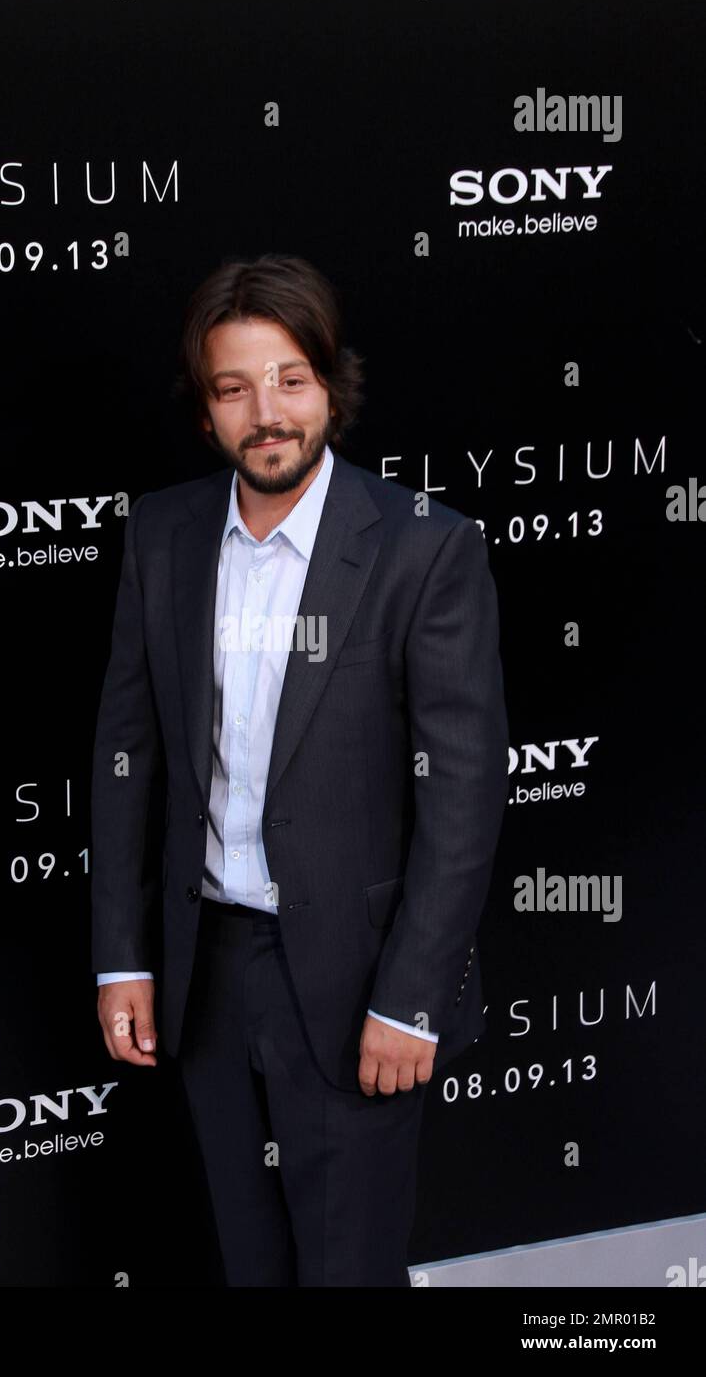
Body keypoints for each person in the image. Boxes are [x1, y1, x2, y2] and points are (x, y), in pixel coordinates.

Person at [91, 253, 509, 1286]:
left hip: (355, 979)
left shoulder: (423, 549)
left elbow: (460, 794)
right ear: (206, 412)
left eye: (288, 379)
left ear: (329, 387)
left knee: (347, 1269)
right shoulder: (162, 535)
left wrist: (410, 996)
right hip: (206, 974)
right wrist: (122, 958)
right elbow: (123, 761)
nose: (264, 412)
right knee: (248, 1262)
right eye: (234, 388)